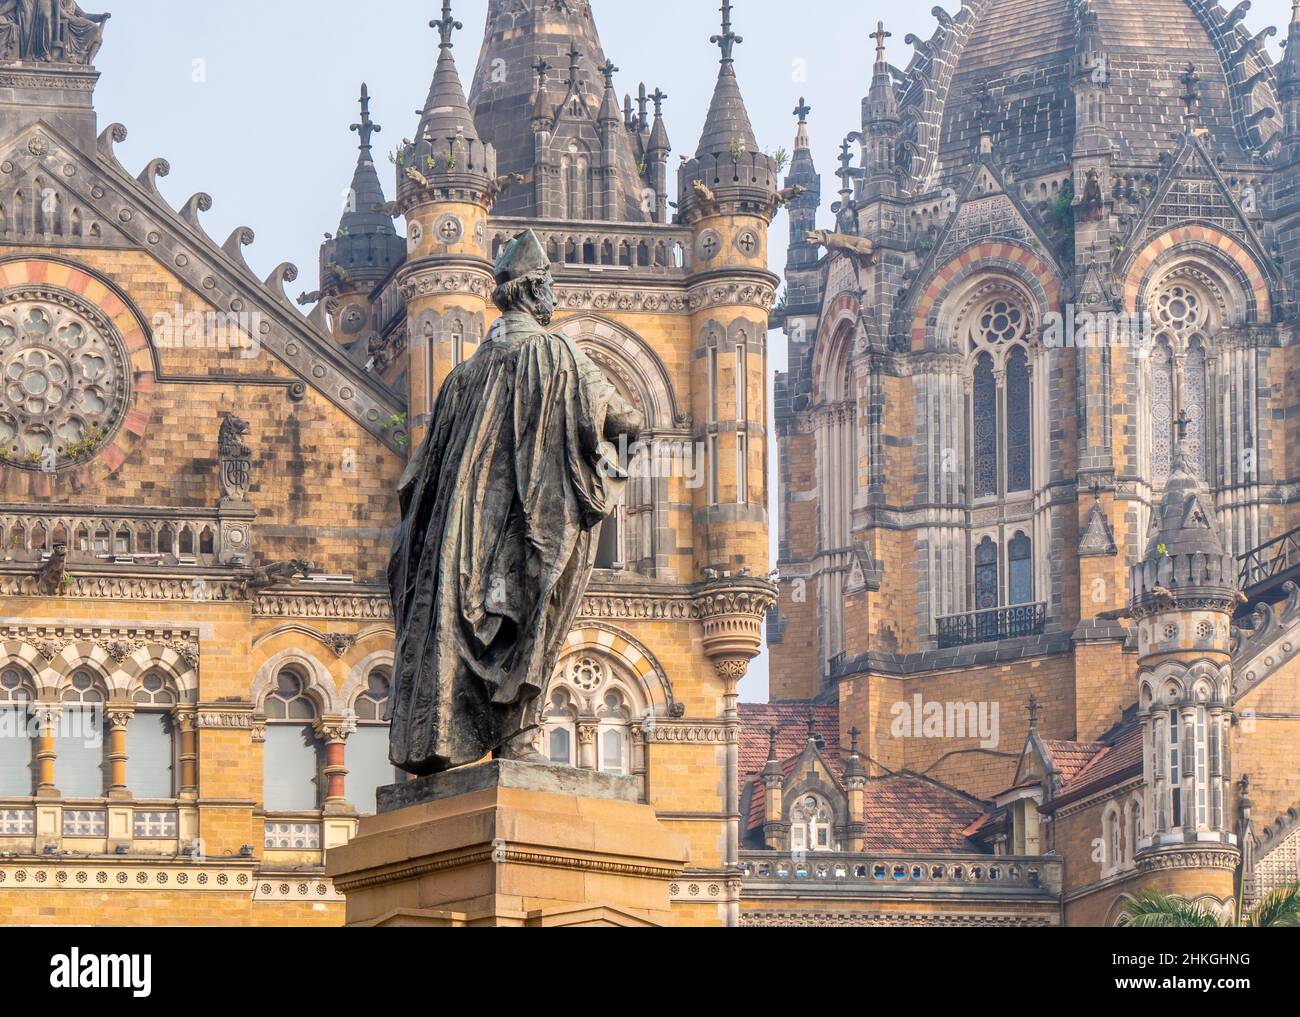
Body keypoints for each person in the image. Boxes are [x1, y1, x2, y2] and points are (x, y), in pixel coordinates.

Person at [388, 229, 643, 775]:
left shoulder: (461, 376)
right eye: (548, 285)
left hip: (460, 546)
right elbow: (628, 421)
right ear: (531, 290)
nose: (552, 296)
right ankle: (517, 737)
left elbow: (418, 480)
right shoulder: (559, 356)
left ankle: (443, 734)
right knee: (529, 619)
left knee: (473, 622)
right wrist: (599, 470)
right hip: (530, 530)